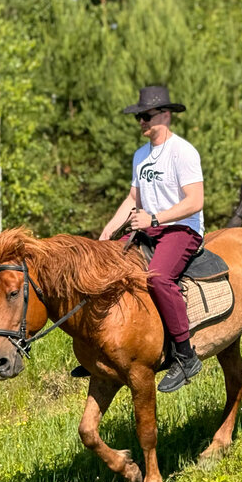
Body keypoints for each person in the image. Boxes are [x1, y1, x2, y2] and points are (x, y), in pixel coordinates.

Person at [99, 85, 205, 393]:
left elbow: (195, 200)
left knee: (158, 277)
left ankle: (185, 356)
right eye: (139, 117)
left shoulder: (183, 152)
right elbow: (134, 198)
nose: (141, 122)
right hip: (148, 228)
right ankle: (106, 350)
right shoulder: (140, 156)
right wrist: (108, 232)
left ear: (166, 115)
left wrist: (155, 219)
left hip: (182, 229)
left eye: (146, 116)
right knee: (103, 268)